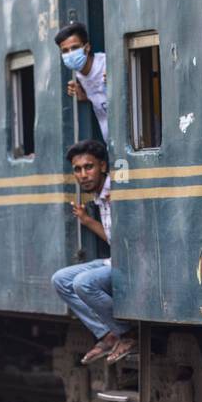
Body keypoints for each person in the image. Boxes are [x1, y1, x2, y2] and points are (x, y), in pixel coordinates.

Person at [51, 139, 135, 365]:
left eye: (89, 167)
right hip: (114, 260)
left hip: (131, 263)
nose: (83, 174)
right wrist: (87, 221)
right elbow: (113, 238)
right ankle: (106, 334)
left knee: (83, 283)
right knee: (61, 279)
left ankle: (127, 335)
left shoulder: (116, 190)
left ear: (103, 167)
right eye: (77, 169)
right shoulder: (101, 196)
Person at [55, 21, 109, 141]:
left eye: (75, 48)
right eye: (65, 51)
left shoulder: (107, 64)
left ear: (87, 47)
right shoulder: (77, 77)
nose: (70, 54)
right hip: (110, 144)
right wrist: (84, 97)